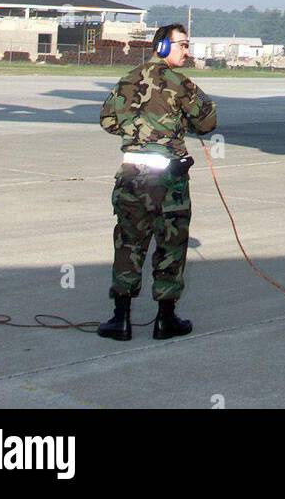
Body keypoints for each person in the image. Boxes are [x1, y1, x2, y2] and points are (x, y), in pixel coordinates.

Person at [97, 24, 217, 342]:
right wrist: (175, 123)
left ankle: (121, 320)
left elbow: (107, 119)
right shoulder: (181, 83)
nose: (186, 51)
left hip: (133, 177)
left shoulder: (128, 79)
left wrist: (138, 130)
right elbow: (208, 122)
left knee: (128, 245)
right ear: (162, 46)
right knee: (171, 247)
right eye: (182, 45)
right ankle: (165, 319)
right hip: (169, 181)